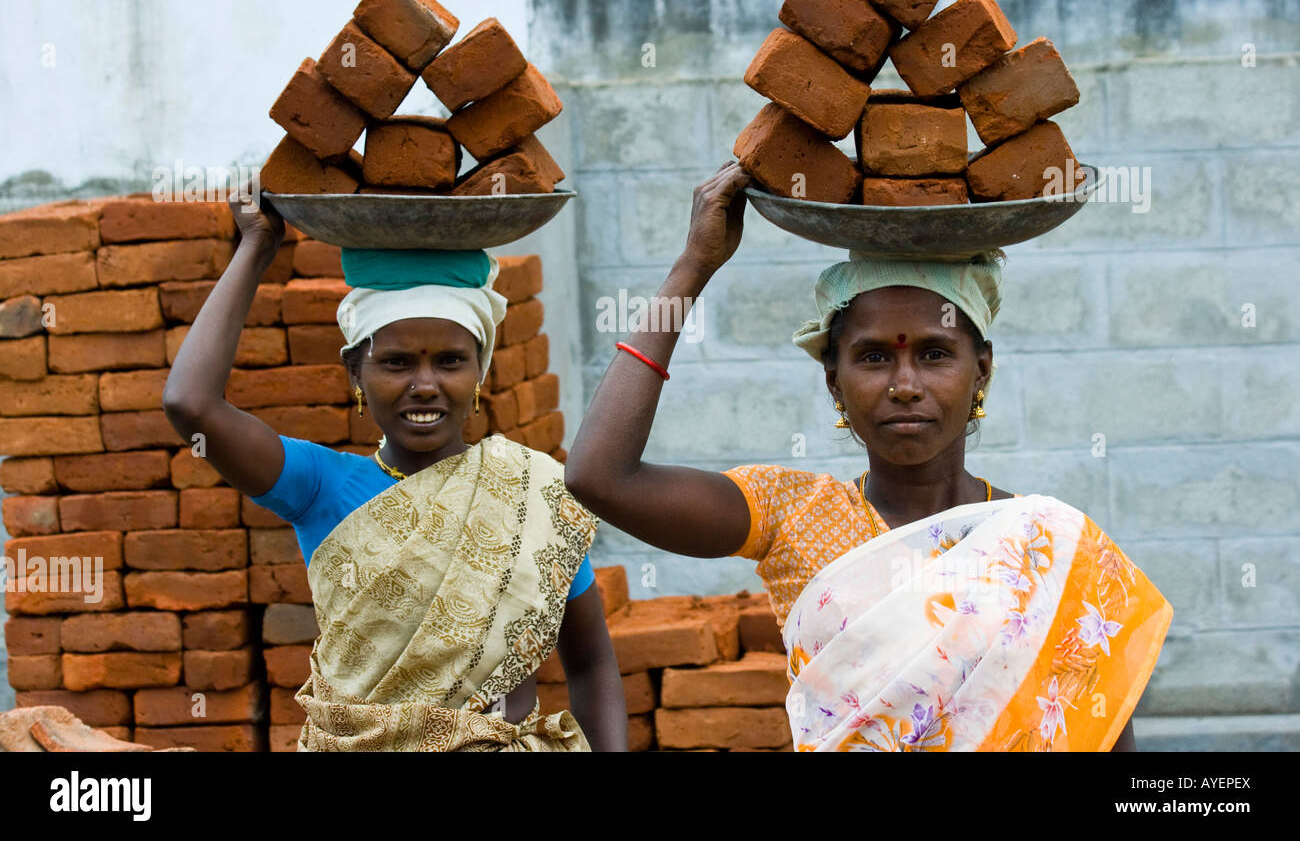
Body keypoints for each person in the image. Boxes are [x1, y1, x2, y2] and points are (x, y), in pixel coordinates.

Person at [565, 162, 1171, 752]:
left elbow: (1100, 728)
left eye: (935, 354)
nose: (904, 383)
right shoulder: (792, 516)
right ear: (833, 379)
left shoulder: (1051, 545)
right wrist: (693, 266)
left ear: (981, 369)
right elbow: (599, 476)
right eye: (874, 357)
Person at [163, 193, 626, 751]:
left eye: (450, 360)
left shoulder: (535, 495)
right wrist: (258, 245)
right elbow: (191, 405)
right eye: (396, 362)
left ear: (481, 370)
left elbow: (593, 663)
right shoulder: (320, 486)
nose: (425, 384)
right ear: (355, 373)